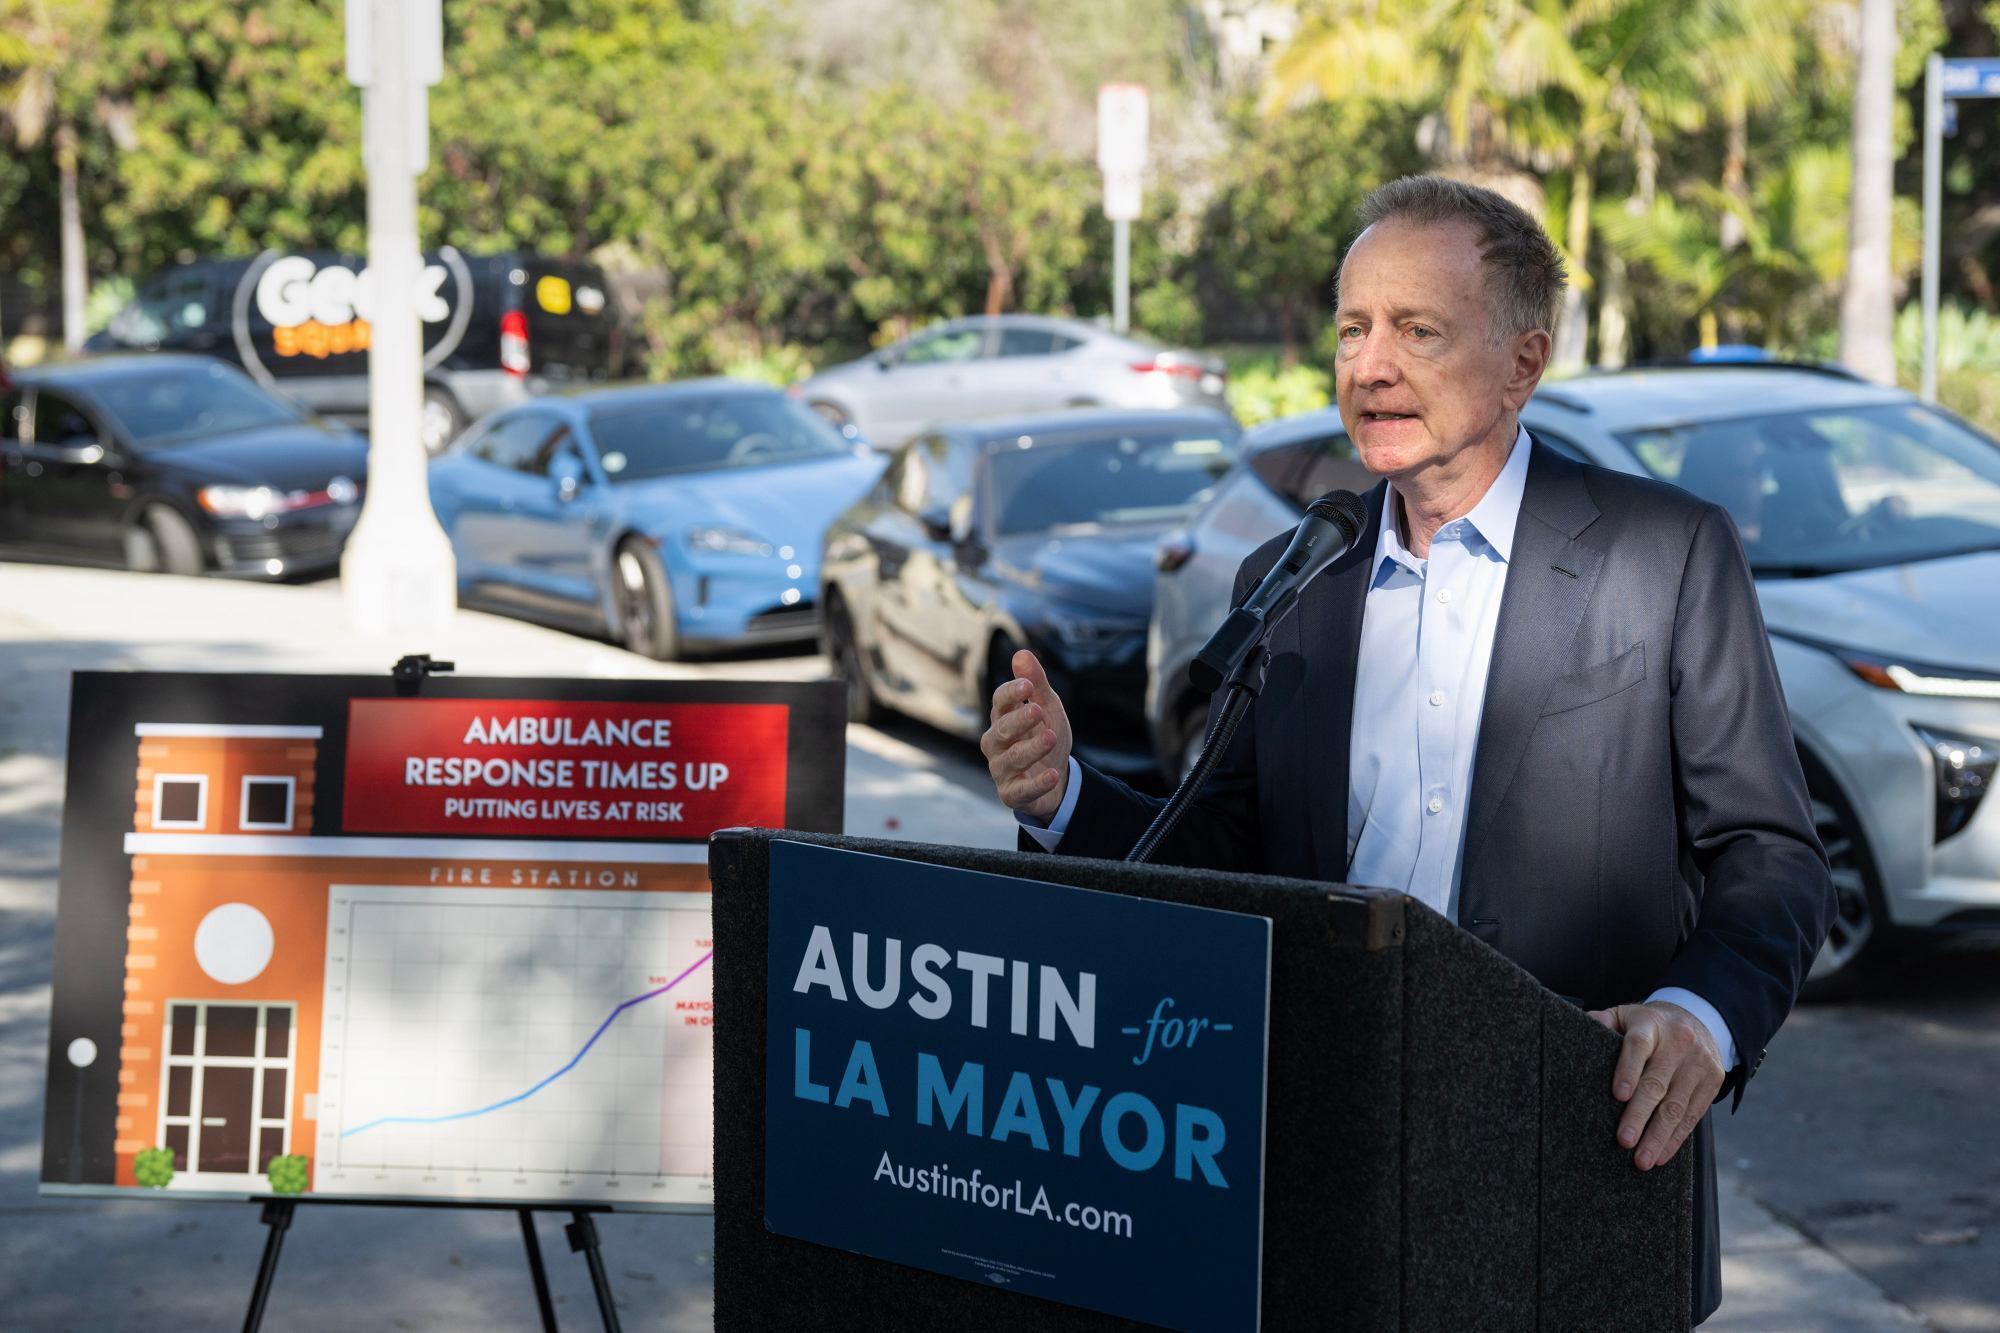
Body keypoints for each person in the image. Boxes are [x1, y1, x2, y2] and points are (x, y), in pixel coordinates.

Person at [980, 175, 1834, 1324]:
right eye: (1352, 327)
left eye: (1416, 331)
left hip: (1579, 1153)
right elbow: (1221, 858)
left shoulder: (1662, 554)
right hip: (1326, 1163)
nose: (1368, 365)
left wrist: (1700, 1017)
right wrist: (1062, 797)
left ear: (1521, 363)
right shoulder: (1290, 578)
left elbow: (1771, 857)